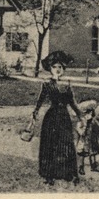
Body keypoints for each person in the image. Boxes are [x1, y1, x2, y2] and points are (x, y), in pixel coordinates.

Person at [30, 50, 84, 184]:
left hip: (64, 117)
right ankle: (49, 174)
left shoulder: (67, 84)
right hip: (52, 117)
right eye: (55, 67)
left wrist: (80, 116)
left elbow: (73, 103)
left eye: (60, 67)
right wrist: (35, 113)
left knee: (66, 143)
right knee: (50, 144)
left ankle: (67, 172)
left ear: (63, 69)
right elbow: (40, 100)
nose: (58, 69)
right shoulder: (47, 84)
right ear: (50, 69)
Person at [74, 99, 99, 174]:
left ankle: (93, 166)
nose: (89, 114)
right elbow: (78, 128)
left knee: (92, 152)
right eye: (87, 113)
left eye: (90, 112)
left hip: (92, 140)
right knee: (82, 154)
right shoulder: (81, 122)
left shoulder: (93, 121)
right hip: (84, 140)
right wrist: (82, 130)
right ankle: (81, 168)